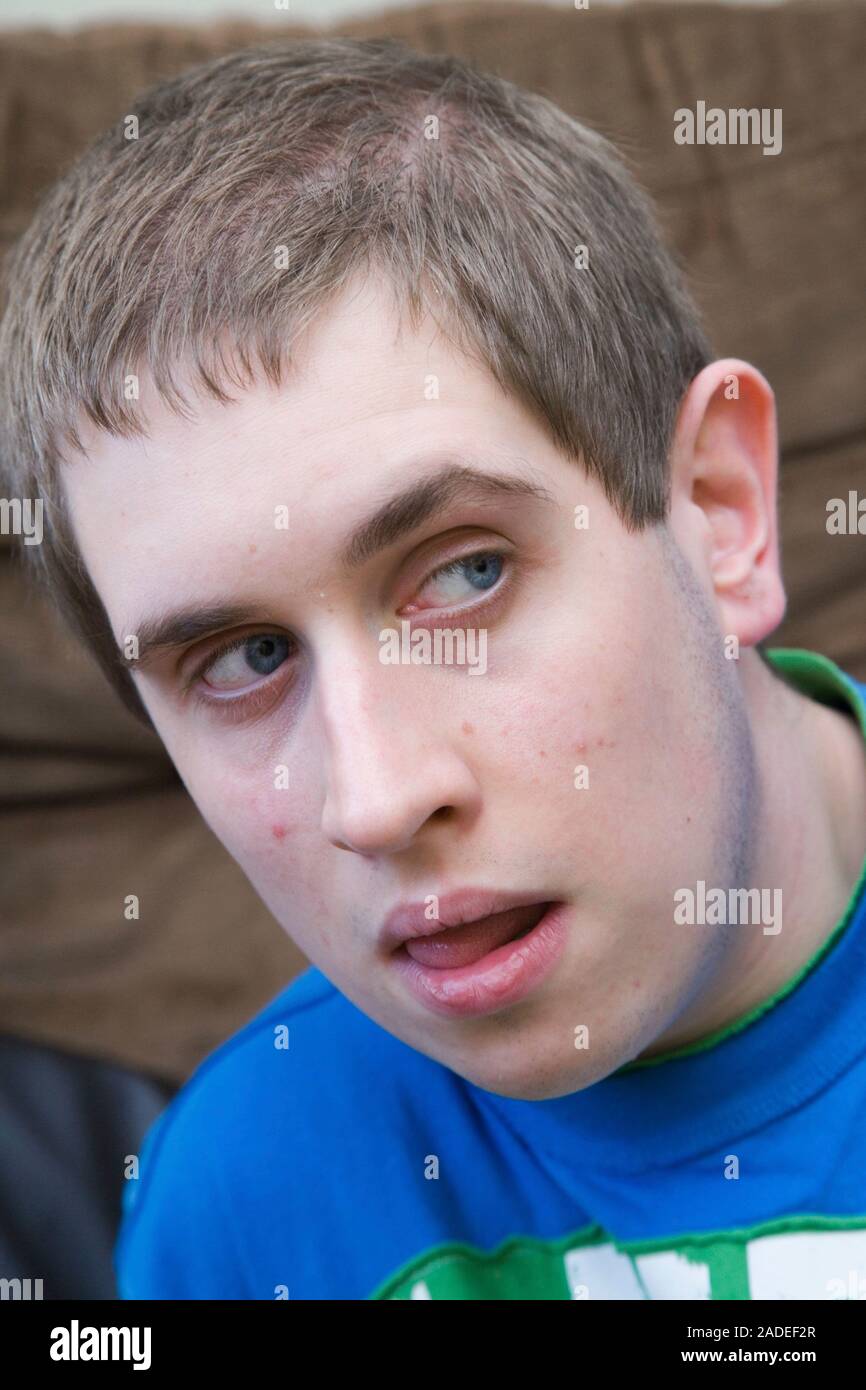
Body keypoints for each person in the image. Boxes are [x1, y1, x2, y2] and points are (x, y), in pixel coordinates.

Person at [2, 37, 865, 1301]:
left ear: (716, 508)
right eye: (243, 658)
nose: (377, 800)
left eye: (464, 574)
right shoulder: (239, 1209)